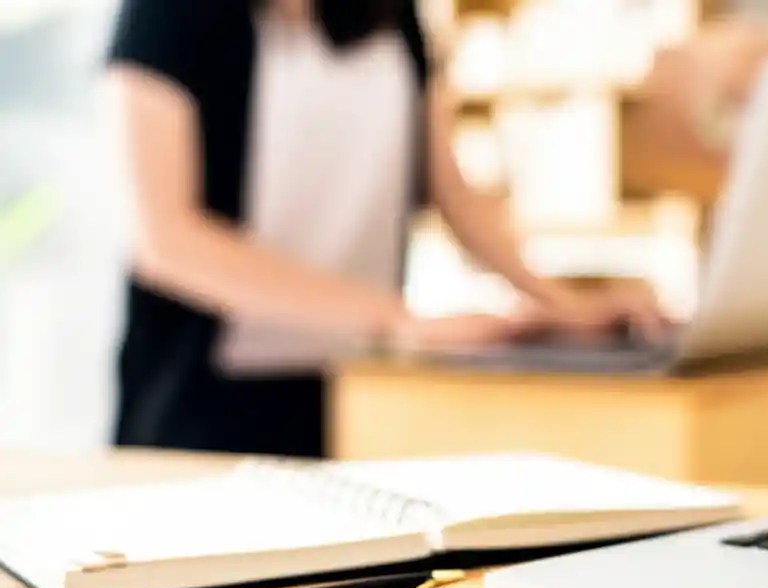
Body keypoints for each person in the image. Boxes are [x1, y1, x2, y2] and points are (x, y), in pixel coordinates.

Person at [106, 0, 664, 458]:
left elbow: (453, 194)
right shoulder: (165, 17)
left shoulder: (394, 15)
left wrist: (560, 303)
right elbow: (167, 241)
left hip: (359, 395)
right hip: (197, 414)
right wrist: (397, 319)